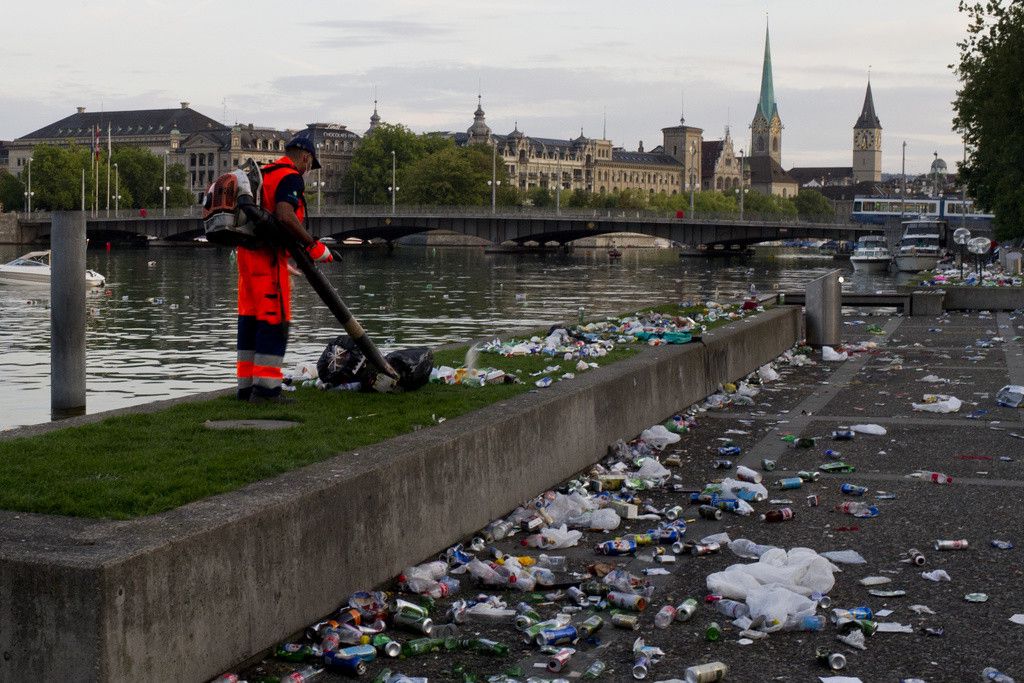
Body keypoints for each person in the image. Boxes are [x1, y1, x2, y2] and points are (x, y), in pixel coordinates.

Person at [236, 135, 333, 402]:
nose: (309, 171)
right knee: (274, 320)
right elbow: (284, 215)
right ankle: (266, 390)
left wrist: (286, 259)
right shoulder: (290, 177)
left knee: (249, 321)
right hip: (267, 261)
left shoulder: (265, 173)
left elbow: (264, 219)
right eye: (311, 165)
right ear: (305, 156)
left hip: (248, 257)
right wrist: (313, 246)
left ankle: (246, 388)